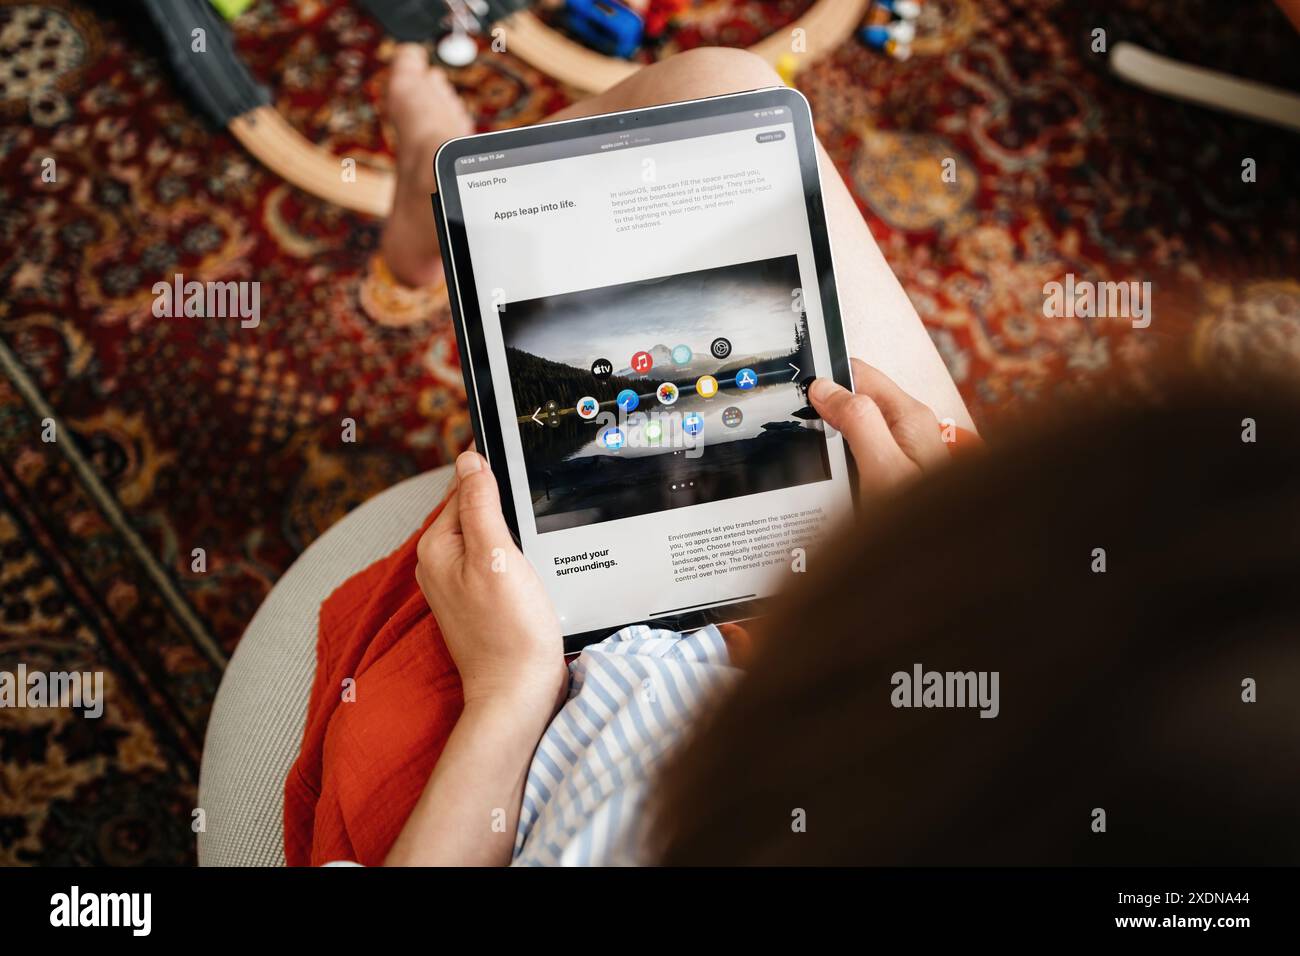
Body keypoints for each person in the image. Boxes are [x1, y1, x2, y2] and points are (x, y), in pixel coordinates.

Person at [368, 48, 1299, 866]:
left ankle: (431, 196)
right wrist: (938, 589)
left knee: (716, 86)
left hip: (570, 671)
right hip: (900, 643)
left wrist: (508, 692)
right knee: (729, 99)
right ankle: (436, 199)